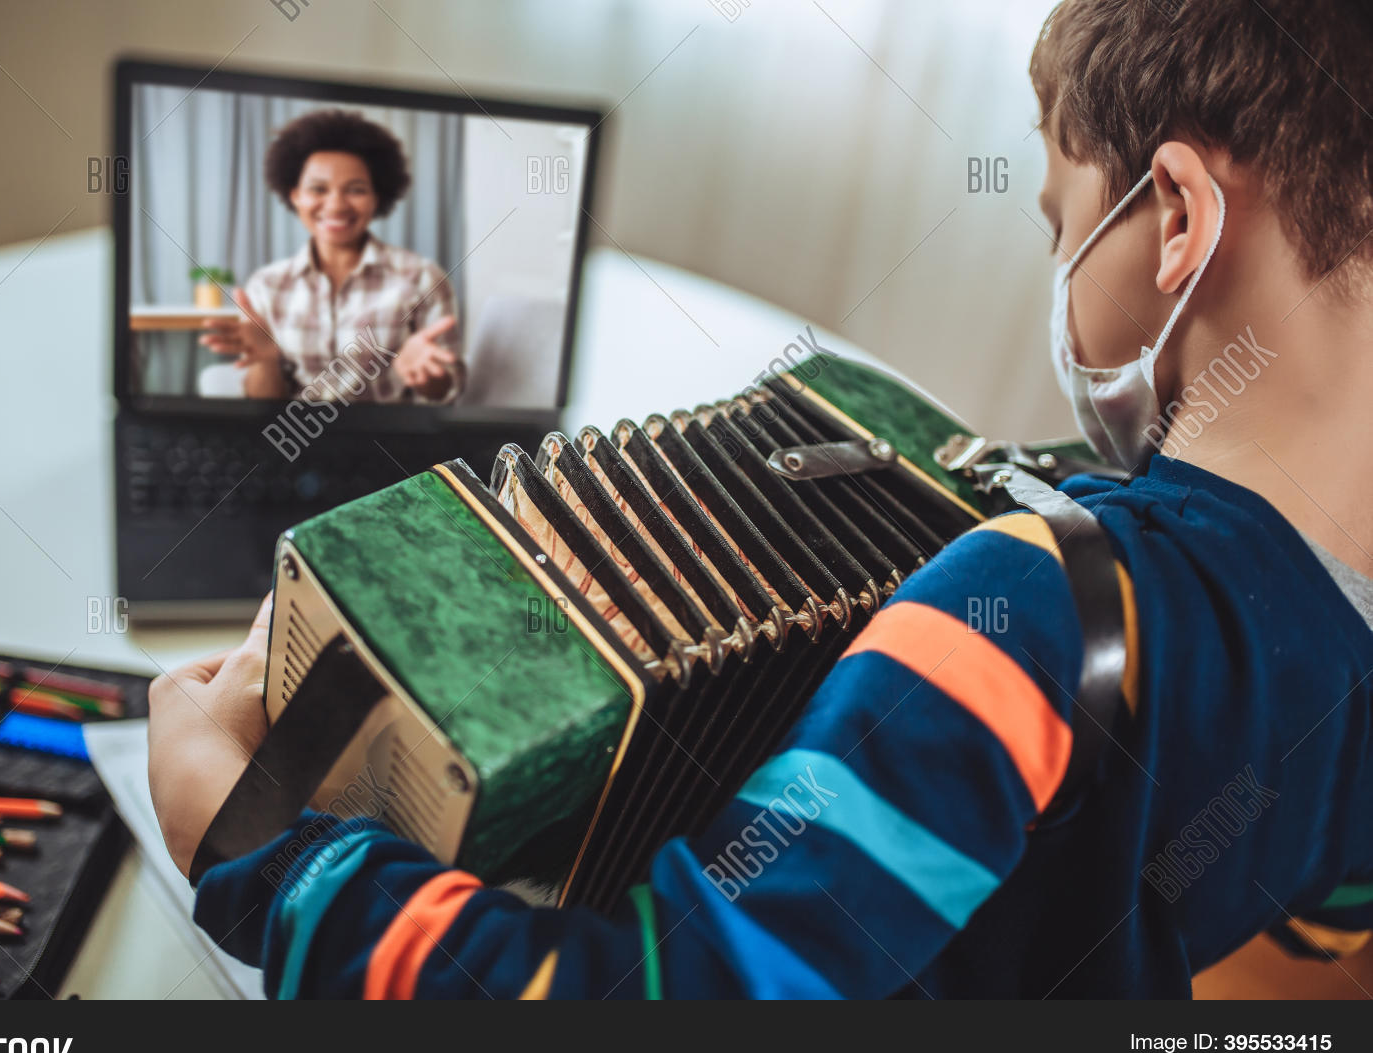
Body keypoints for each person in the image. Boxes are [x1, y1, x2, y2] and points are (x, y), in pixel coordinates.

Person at [148, 0, 1373, 998]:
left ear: (1173, 217)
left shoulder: (1033, 610)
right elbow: (1303, 940)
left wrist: (263, 854)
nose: (1060, 271)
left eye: (1062, 226)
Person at [198, 108, 465, 404]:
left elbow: (446, 395)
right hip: (292, 442)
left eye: (356, 189)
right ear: (295, 195)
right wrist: (266, 360)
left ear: (377, 197)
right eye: (318, 189)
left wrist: (429, 377)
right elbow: (264, 405)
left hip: (389, 444)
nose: (336, 205)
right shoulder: (267, 285)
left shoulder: (422, 278)